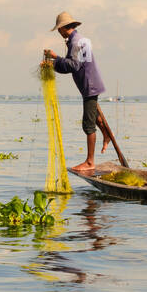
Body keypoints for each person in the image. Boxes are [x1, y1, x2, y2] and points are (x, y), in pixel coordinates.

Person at [43, 12, 110, 174]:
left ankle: (90, 162)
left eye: (60, 29)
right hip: (91, 84)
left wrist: (54, 59)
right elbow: (78, 64)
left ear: (65, 28)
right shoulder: (80, 40)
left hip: (89, 86)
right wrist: (54, 63)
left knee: (88, 124)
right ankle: (107, 135)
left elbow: (73, 65)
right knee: (94, 115)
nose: (59, 32)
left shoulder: (76, 43)